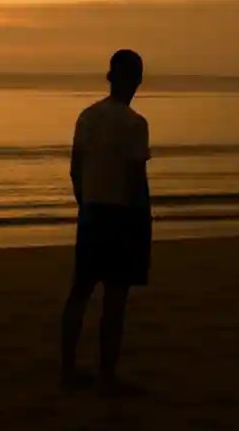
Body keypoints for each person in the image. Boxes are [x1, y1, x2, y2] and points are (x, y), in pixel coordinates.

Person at [59, 49, 152, 397]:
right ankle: (107, 375)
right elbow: (136, 179)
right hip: (121, 214)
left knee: (80, 293)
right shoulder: (135, 124)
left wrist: (85, 203)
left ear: (110, 77)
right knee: (114, 299)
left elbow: (75, 170)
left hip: (93, 211)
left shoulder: (87, 116)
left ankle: (68, 370)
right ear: (136, 80)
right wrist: (141, 220)